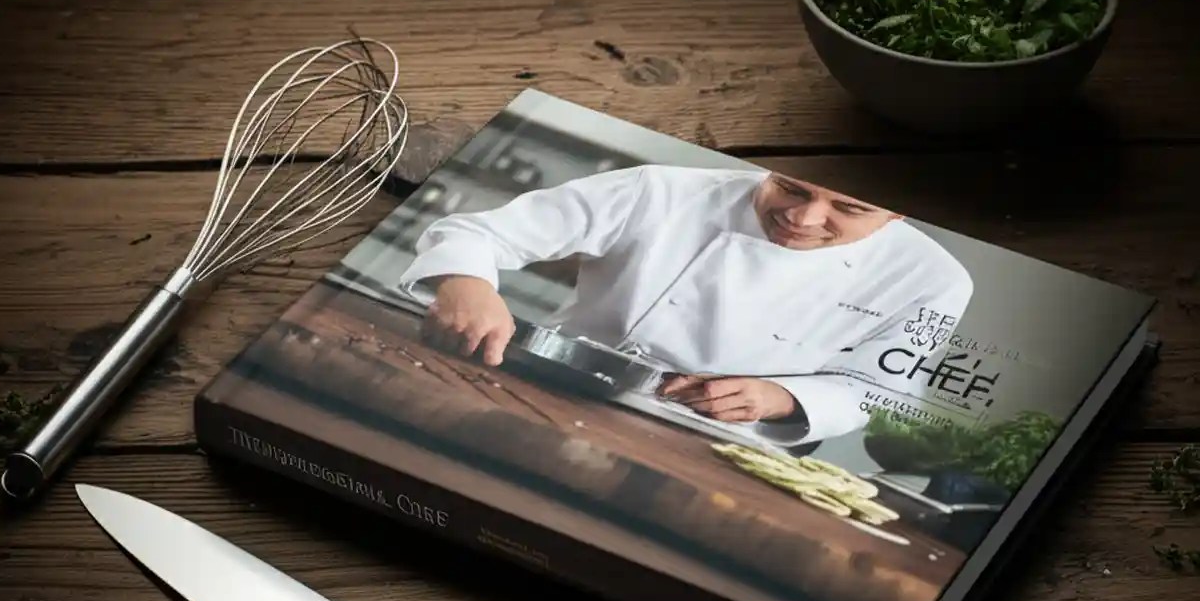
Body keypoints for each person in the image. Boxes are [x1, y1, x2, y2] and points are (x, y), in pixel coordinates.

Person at [398, 164, 973, 445]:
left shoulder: (936, 280)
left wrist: (779, 397)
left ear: (898, 215)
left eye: (846, 207)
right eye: (791, 188)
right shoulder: (662, 191)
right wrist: (468, 283)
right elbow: (479, 232)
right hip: (544, 381)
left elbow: (879, 388)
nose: (803, 218)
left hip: (705, 440)